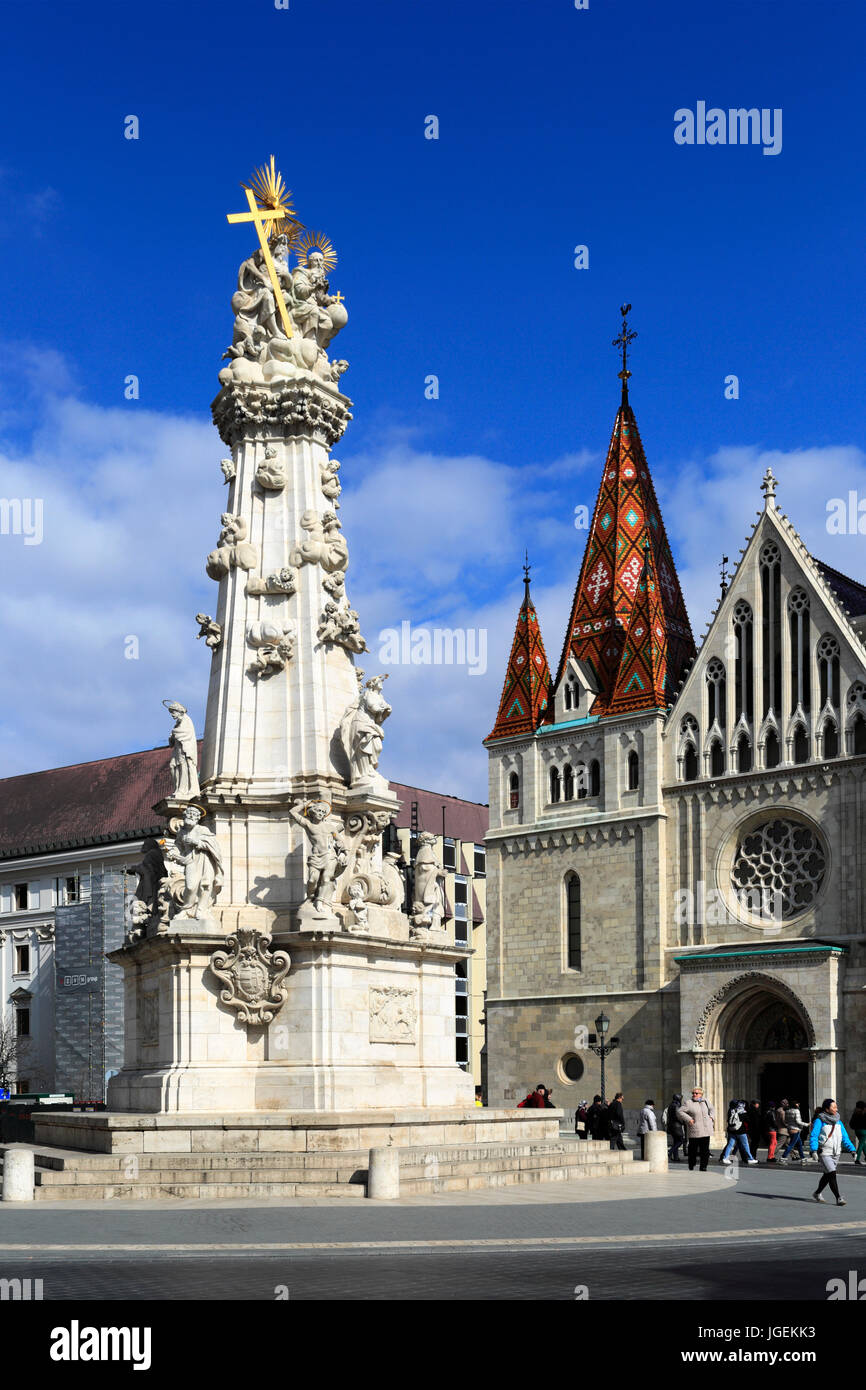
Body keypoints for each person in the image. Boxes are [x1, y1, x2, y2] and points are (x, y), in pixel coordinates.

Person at [809, 1098, 856, 1206]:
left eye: (836, 1106)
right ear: (826, 1109)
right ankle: (839, 1198)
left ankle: (817, 1193)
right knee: (832, 1173)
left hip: (836, 1152)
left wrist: (852, 1149)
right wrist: (814, 1150)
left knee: (828, 1174)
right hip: (824, 1152)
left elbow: (845, 1137)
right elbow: (814, 1136)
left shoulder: (838, 1121)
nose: (836, 1109)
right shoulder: (819, 1121)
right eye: (834, 1107)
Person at [677, 1086, 716, 1171]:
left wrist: (711, 1117)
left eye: (696, 1093)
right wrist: (689, 1119)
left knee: (705, 1150)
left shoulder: (706, 1101)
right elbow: (680, 1111)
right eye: (693, 1093)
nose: (694, 1094)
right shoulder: (688, 1103)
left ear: (701, 1094)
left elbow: (712, 1109)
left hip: (706, 1130)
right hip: (695, 1129)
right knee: (692, 1150)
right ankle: (691, 1164)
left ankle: (703, 1166)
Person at [719, 1099, 758, 1165]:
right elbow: (748, 1121)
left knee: (730, 1145)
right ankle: (750, 1159)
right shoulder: (743, 1112)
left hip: (732, 1131)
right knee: (746, 1145)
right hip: (741, 1131)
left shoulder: (731, 1111)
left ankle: (725, 1158)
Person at [664, 1093, 686, 1162]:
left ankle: (676, 1157)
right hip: (677, 1126)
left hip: (672, 1126)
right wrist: (682, 1122)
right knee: (681, 1141)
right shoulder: (676, 1105)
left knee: (676, 1141)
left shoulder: (671, 1105)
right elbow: (678, 1116)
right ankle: (670, 1151)